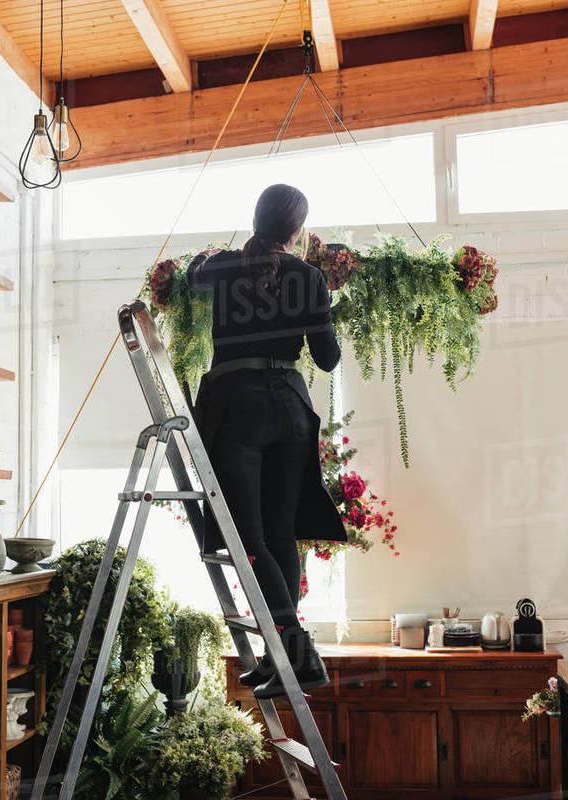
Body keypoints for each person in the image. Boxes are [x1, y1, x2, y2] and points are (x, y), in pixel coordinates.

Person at [187, 184, 346, 699]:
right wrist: (322, 303)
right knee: (280, 535)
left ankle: (296, 653)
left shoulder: (222, 267)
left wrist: (210, 256)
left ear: (256, 219)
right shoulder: (311, 277)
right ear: (297, 231)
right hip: (291, 411)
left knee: (251, 539)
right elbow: (327, 359)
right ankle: (289, 659)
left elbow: (190, 278)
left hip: (238, 408)